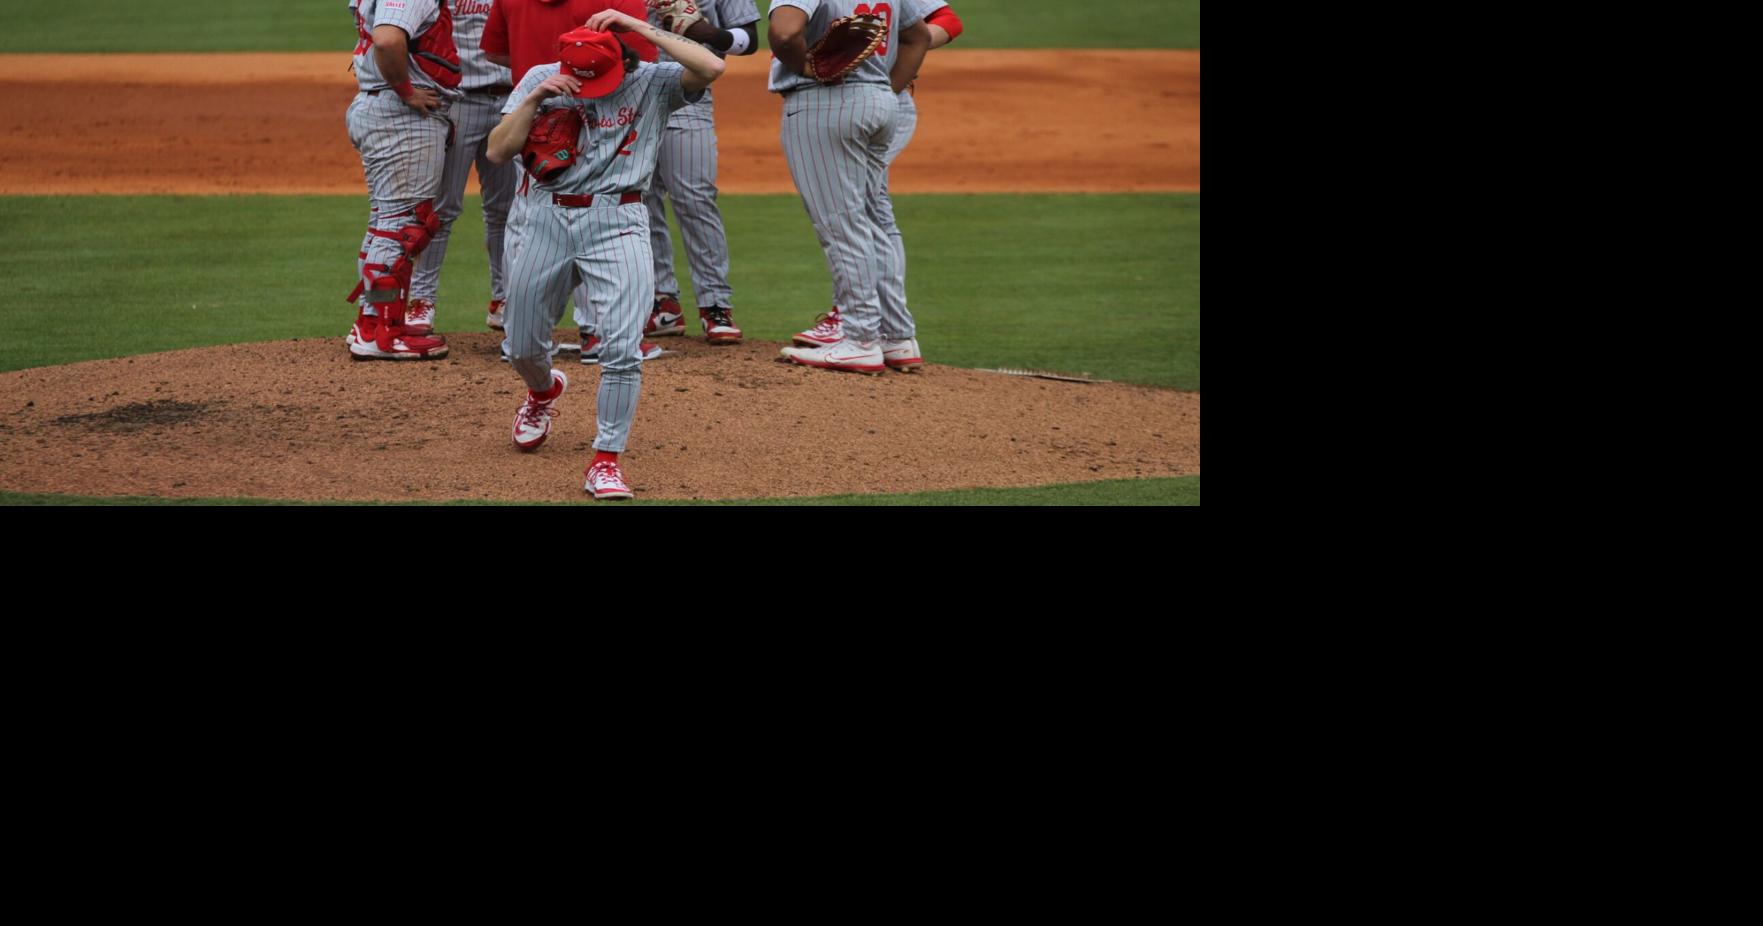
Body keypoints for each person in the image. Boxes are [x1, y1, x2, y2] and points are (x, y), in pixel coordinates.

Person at [486, 12, 725, 499]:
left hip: (619, 222)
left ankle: (606, 459)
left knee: (621, 347)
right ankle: (542, 391)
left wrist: (635, 25)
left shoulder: (653, 83)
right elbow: (496, 151)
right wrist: (534, 100)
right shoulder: (540, 78)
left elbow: (712, 67)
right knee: (520, 346)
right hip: (543, 219)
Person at [482, 0, 666, 365]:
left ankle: (520, 322)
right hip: (564, 102)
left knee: (526, 218)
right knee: (569, 209)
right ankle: (591, 330)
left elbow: (497, 53)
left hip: (540, 108)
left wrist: (541, 80)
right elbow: (641, 59)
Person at [790, 0, 962, 371]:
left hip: (855, 101)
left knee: (849, 216)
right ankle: (892, 332)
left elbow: (948, 21)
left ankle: (859, 328)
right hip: (879, 101)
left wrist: (888, 73)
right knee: (870, 211)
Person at [343, 0, 462, 361]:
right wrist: (407, 92)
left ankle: (373, 317)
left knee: (387, 222)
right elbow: (387, 40)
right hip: (400, 118)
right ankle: (380, 330)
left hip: (384, 112)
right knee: (403, 225)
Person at [640, 0, 761, 345]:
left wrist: (703, 31)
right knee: (640, 200)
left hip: (689, 93)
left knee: (694, 197)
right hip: (631, 95)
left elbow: (750, 40)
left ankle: (715, 305)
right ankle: (661, 303)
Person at [407, 0, 518, 335]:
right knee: (442, 208)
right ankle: (421, 299)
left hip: (512, 101)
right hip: (459, 101)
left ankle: (504, 298)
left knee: (506, 210)